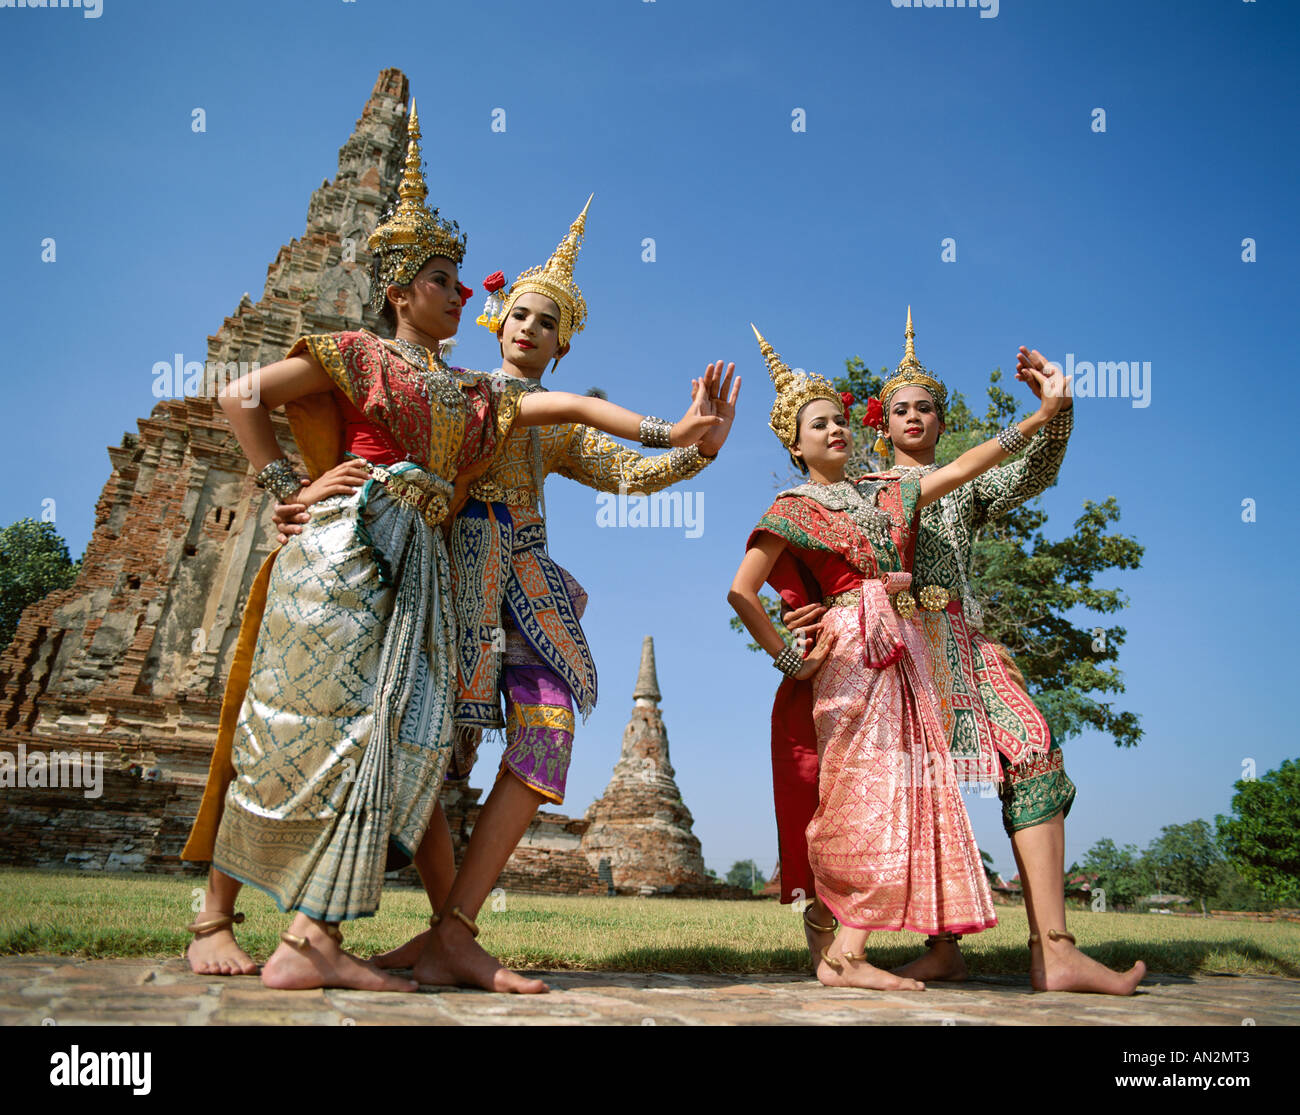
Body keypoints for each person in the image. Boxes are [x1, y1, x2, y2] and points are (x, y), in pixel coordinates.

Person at [178, 104, 724, 992]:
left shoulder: (491, 405)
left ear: (563, 338)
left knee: (467, 735)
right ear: (462, 308)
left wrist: (683, 440)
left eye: (546, 320)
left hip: (478, 576)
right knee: (340, 725)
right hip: (390, 557)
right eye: (503, 304)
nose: (509, 317)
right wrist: (289, 486)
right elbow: (249, 394)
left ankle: (426, 929)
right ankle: (279, 920)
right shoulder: (413, 372)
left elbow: (595, 432)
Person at [781, 311, 1145, 994]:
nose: (913, 415)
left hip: (965, 648)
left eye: (925, 408)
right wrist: (802, 616)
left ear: (942, 423)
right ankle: (935, 947)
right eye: (900, 409)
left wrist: (1056, 411)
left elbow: (1033, 472)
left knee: (1034, 746)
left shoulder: (966, 486)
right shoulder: (859, 494)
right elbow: (809, 563)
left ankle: (1056, 949)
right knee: (908, 789)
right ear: (879, 425)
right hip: (890, 659)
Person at [728, 325, 1067, 991]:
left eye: (839, 420)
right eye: (818, 424)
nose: (836, 430)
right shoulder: (825, 499)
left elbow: (983, 468)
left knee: (936, 786)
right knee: (855, 794)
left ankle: (1036, 947)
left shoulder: (896, 496)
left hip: (924, 649)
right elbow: (750, 587)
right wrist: (792, 648)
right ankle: (838, 953)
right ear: (796, 444)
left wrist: (1050, 413)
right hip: (855, 655)